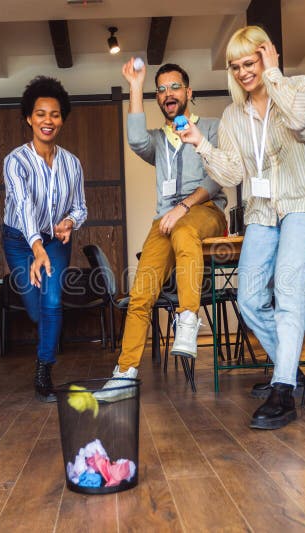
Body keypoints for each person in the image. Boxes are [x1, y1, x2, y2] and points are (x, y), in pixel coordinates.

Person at [178, 26, 305, 430]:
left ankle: (283, 389)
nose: (244, 72)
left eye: (250, 63)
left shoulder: (298, 87)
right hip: (262, 213)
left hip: (301, 205)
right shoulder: (232, 115)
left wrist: (275, 73)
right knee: (247, 299)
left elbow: (298, 122)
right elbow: (233, 173)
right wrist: (200, 143)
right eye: (236, 66)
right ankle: (290, 368)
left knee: (290, 291)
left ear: (265, 57)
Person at [95, 60, 227, 402]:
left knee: (184, 232)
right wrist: (136, 86)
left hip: (204, 212)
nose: (169, 94)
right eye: (162, 89)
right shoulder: (158, 140)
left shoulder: (211, 127)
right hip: (164, 221)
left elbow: (217, 179)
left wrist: (183, 207)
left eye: (175, 87)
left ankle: (187, 318)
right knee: (141, 295)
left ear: (188, 92)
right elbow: (136, 138)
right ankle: (125, 374)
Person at [2, 76, 87, 402]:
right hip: (18, 241)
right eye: (40, 114)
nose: (47, 120)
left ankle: (44, 369)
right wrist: (35, 247)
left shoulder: (72, 163)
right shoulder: (15, 161)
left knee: (52, 303)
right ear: (29, 117)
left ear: (62, 118)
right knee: (36, 310)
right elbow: (23, 207)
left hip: (55, 241)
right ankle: (46, 343)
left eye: (54, 114)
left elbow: (81, 207)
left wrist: (69, 221)